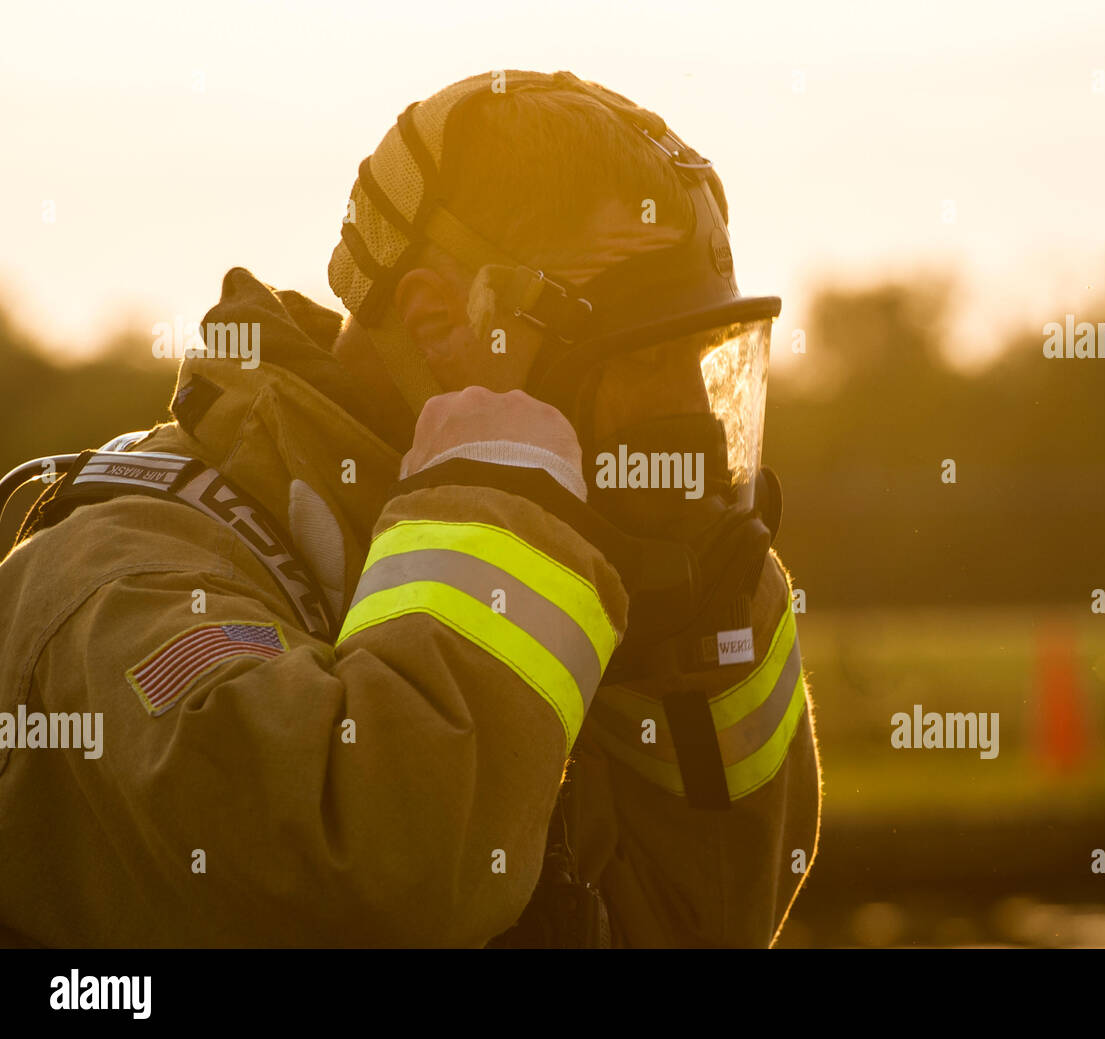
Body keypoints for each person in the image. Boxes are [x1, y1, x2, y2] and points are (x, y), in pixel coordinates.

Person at [0, 69, 822, 947]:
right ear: (440, 322)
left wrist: (694, 645)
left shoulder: (570, 564)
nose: (691, 418)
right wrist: (496, 525)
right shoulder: (123, 581)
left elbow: (702, 925)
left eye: (704, 358)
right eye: (647, 360)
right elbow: (368, 888)